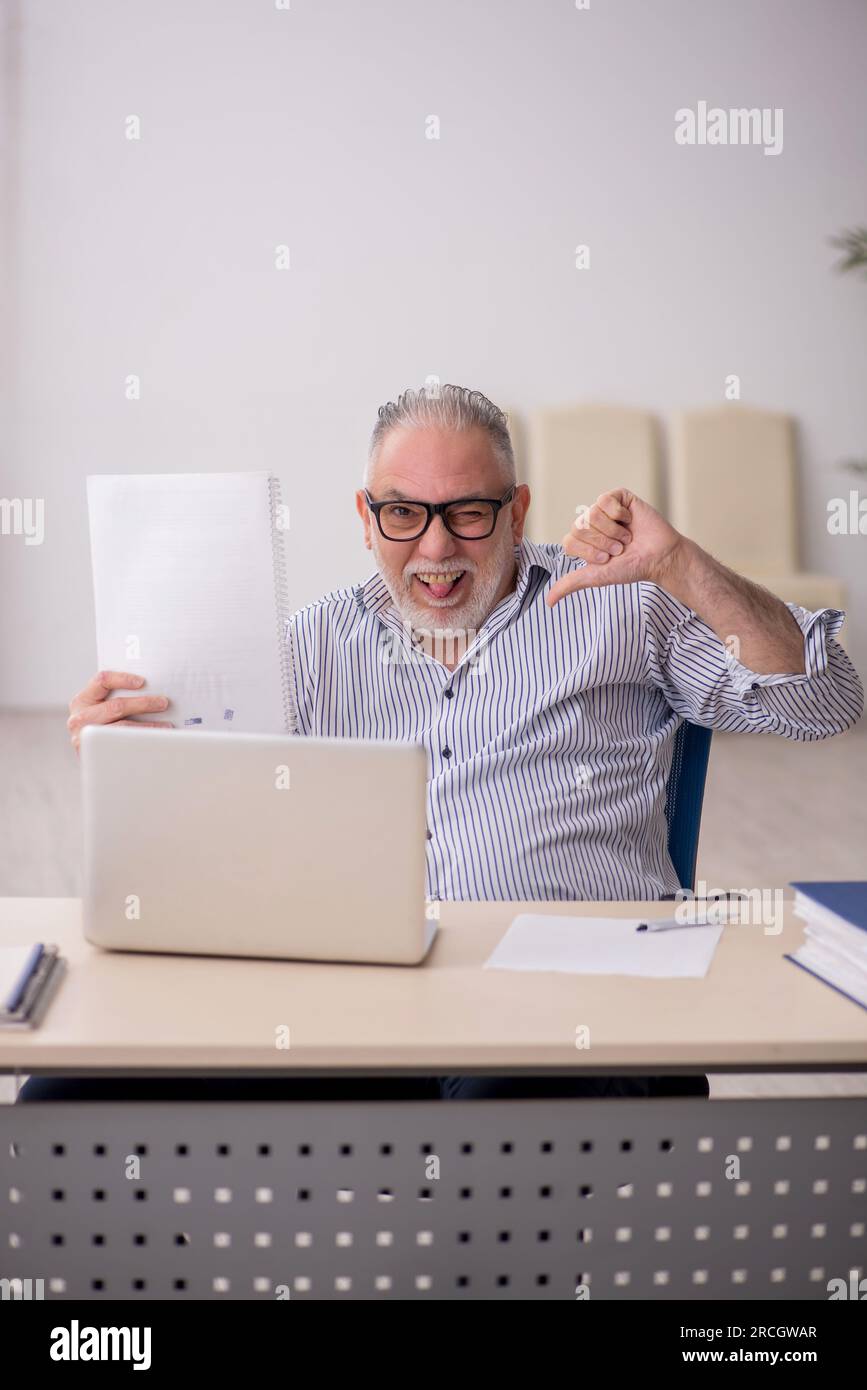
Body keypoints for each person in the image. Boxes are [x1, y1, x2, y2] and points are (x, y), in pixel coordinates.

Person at [33, 385, 861, 1105]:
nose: (435, 549)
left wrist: (683, 565)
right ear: (365, 517)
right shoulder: (307, 647)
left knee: (503, 1112)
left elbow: (824, 703)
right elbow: (204, 845)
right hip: (355, 1014)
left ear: (518, 508)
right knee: (68, 1097)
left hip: (569, 1007)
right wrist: (125, 760)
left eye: (468, 511)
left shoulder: (625, 609)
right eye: (403, 513)